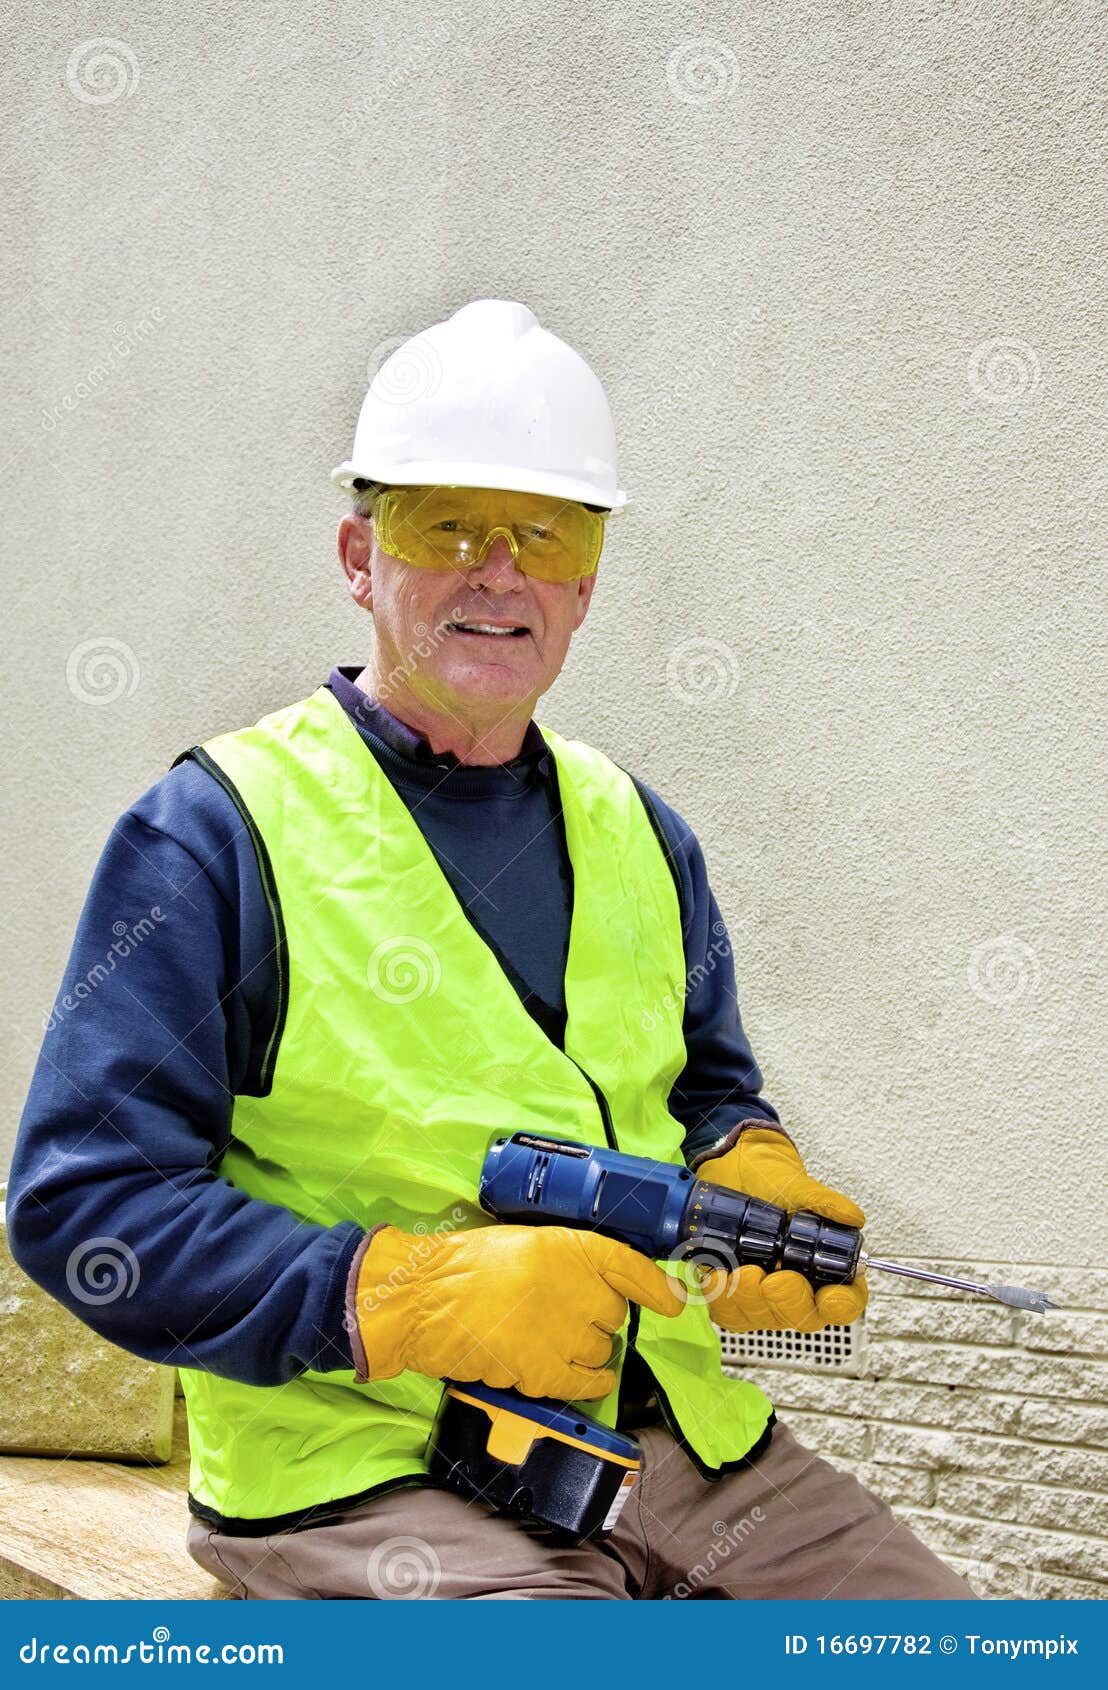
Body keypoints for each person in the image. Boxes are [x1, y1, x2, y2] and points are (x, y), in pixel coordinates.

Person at [7, 298, 974, 1600]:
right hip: (367, 1471)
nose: (498, 572)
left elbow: (706, 1088)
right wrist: (402, 1293)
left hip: (682, 1450)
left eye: (547, 532)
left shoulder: (642, 831)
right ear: (360, 555)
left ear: (587, 583)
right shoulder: (218, 833)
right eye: (445, 524)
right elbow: (86, 1205)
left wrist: (750, 1166)